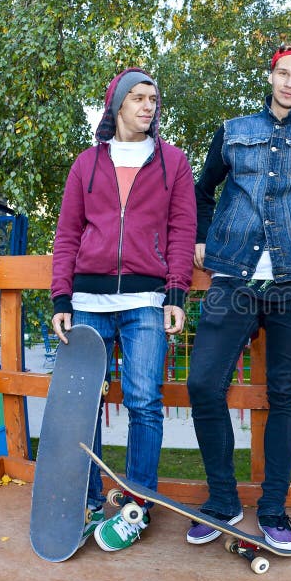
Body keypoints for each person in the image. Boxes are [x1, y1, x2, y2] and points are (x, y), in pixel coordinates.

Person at [186, 42, 291, 551]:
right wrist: (200, 234)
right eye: (283, 73)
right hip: (233, 280)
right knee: (202, 385)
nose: (289, 82)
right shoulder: (234, 131)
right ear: (271, 76)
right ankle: (222, 500)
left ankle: (275, 510)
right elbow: (203, 189)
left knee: (285, 394)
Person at [51, 68, 196, 552]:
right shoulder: (86, 164)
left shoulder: (173, 163)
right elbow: (68, 234)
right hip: (89, 302)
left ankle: (135, 506)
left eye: (153, 98)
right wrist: (61, 297)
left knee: (143, 401)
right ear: (116, 105)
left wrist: (176, 294)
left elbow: (180, 232)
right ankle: (87, 499)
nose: (148, 106)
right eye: (137, 98)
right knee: (83, 404)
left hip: (146, 302)